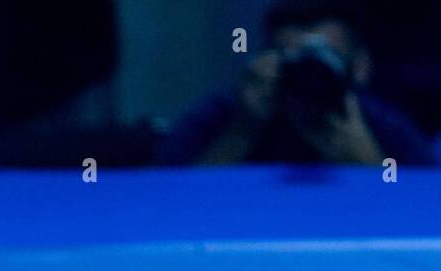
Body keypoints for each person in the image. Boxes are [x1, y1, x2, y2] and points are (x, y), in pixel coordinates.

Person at [157, 0, 435, 166]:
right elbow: (161, 195)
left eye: (326, 60)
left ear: (360, 67)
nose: (311, 73)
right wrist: (243, 130)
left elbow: (426, 207)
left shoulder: (381, 122)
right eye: (295, 59)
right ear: (266, 59)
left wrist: (363, 156)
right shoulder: (230, 112)